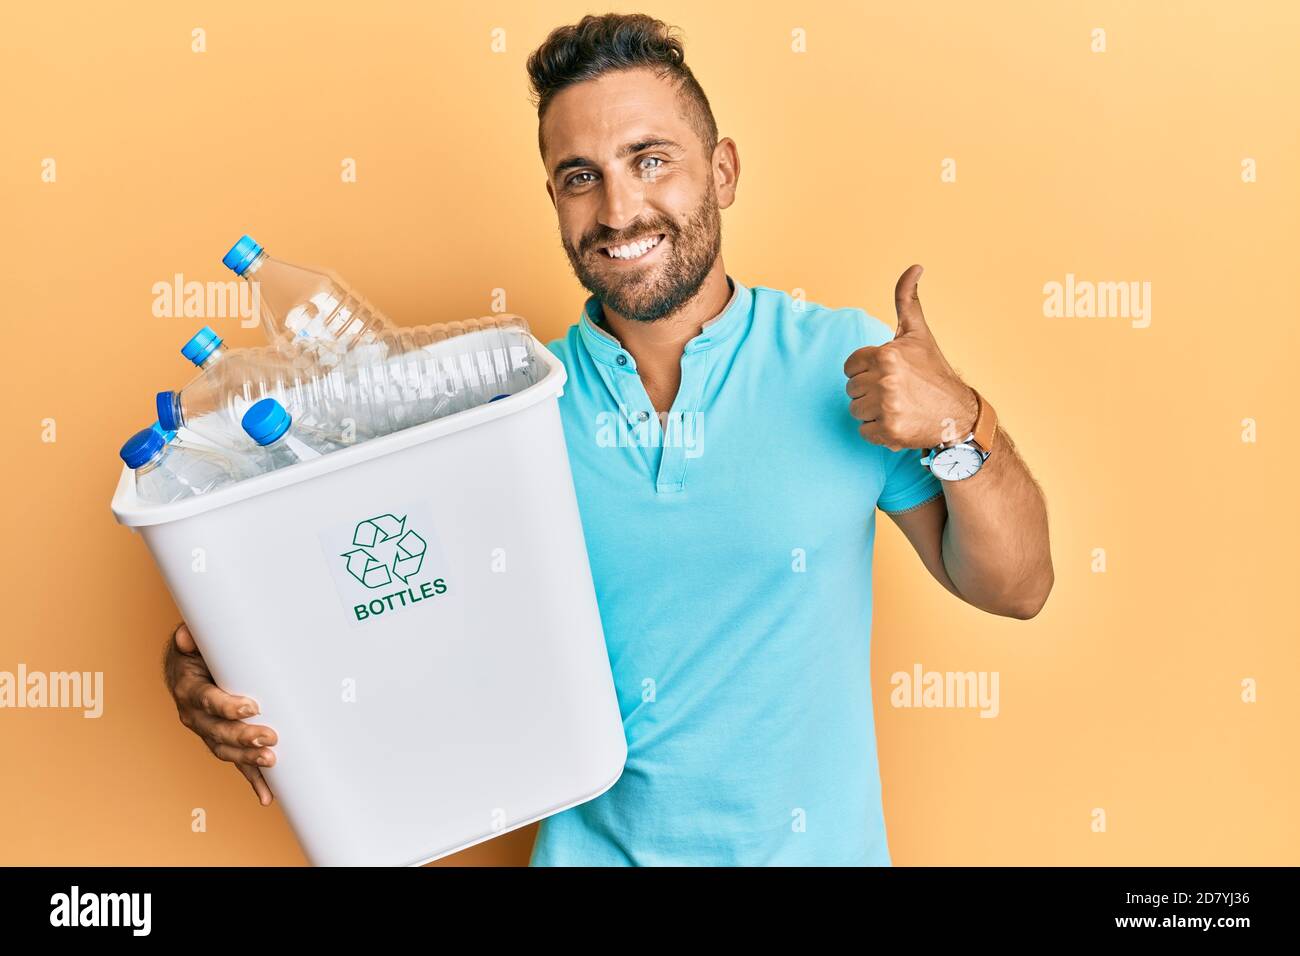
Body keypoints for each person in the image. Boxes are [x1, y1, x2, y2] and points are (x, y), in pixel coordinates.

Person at [164, 13, 1053, 866]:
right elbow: (381, 607)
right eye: (581, 176)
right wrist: (219, 663)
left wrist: (959, 423)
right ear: (553, 197)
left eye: (651, 159)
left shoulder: (842, 362)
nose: (620, 210)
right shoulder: (505, 416)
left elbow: (1017, 587)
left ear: (725, 170)